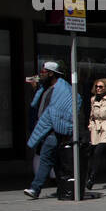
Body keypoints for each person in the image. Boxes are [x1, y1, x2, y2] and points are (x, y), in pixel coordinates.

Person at [24, 62, 74, 198]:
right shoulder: (46, 88)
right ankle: (63, 187)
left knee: (46, 158)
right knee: (56, 161)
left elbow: (63, 109)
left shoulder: (62, 89)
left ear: (51, 73)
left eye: (44, 72)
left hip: (54, 130)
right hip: (46, 130)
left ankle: (35, 188)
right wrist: (36, 88)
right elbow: (36, 105)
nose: (41, 74)